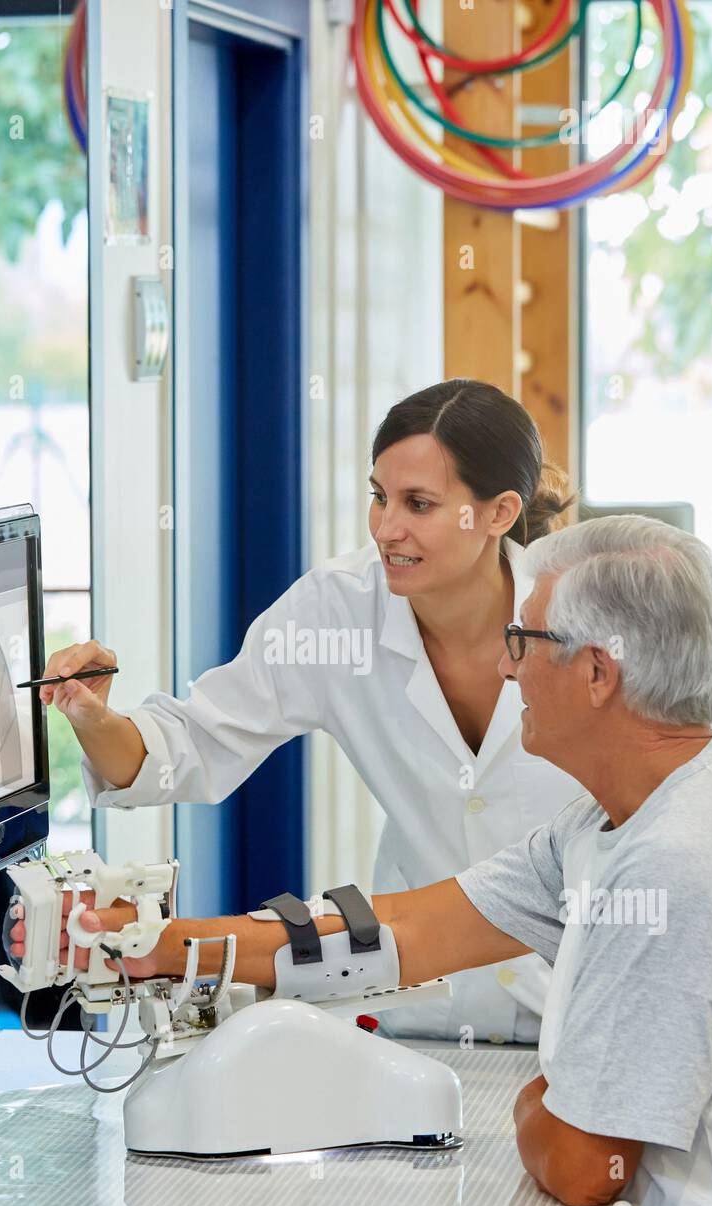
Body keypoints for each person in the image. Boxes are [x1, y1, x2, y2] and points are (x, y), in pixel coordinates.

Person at [11, 515, 712, 1206]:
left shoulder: (679, 861)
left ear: (598, 674)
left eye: (524, 643)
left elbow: (579, 1169)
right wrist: (163, 943)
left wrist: (549, 1093)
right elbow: (402, 929)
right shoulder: (618, 816)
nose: (506, 669)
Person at [40, 378, 583, 1043]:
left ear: (498, 513)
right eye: (379, 497)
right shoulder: (336, 609)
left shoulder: (579, 619)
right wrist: (93, 717)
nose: (388, 528)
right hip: (422, 1011)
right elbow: (192, 748)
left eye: (419, 504)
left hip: (580, 1009)